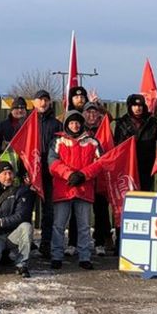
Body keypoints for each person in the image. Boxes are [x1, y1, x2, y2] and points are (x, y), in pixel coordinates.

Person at [48, 110, 104, 270]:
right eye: (71, 122)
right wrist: (69, 174)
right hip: (63, 189)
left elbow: (100, 163)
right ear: (66, 124)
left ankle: (85, 257)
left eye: (77, 122)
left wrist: (83, 175)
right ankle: (56, 256)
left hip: (84, 189)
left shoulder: (93, 142)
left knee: (84, 226)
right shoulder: (58, 141)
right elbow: (52, 163)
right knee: (59, 225)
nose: (75, 125)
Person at [0, 162, 35, 278]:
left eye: (10, 173)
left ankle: (22, 265)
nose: (8, 177)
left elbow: (21, 216)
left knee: (27, 227)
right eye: (4, 173)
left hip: (12, 234)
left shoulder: (21, 190)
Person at [33, 89, 63, 257]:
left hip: (50, 173)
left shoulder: (56, 125)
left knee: (49, 210)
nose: (43, 103)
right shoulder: (28, 123)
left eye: (46, 100)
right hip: (32, 172)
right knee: (27, 207)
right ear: (34, 103)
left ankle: (46, 243)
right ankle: (25, 244)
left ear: (49, 102)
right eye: (40, 100)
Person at [113, 94, 157, 193]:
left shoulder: (151, 122)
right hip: (127, 168)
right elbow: (117, 146)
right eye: (134, 106)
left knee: (144, 197)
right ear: (129, 107)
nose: (137, 108)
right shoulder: (122, 123)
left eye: (140, 106)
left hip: (146, 168)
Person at [83, 101, 113, 255]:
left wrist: (100, 105)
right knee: (79, 211)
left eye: (94, 112)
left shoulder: (104, 129)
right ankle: (74, 242)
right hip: (84, 175)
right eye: (88, 112)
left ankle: (100, 241)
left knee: (101, 210)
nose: (91, 115)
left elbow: (110, 117)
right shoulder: (79, 130)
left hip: (100, 176)